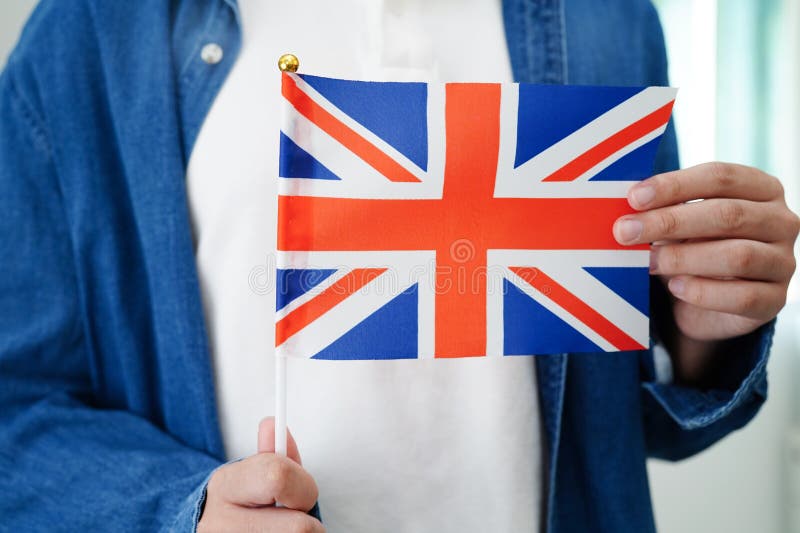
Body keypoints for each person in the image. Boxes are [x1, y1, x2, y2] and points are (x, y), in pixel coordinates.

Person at [0, 0, 796, 532]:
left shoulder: (605, 15)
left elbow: (634, 412)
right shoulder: (97, 28)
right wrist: (182, 510)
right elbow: (17, 407)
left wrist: (704, 327)